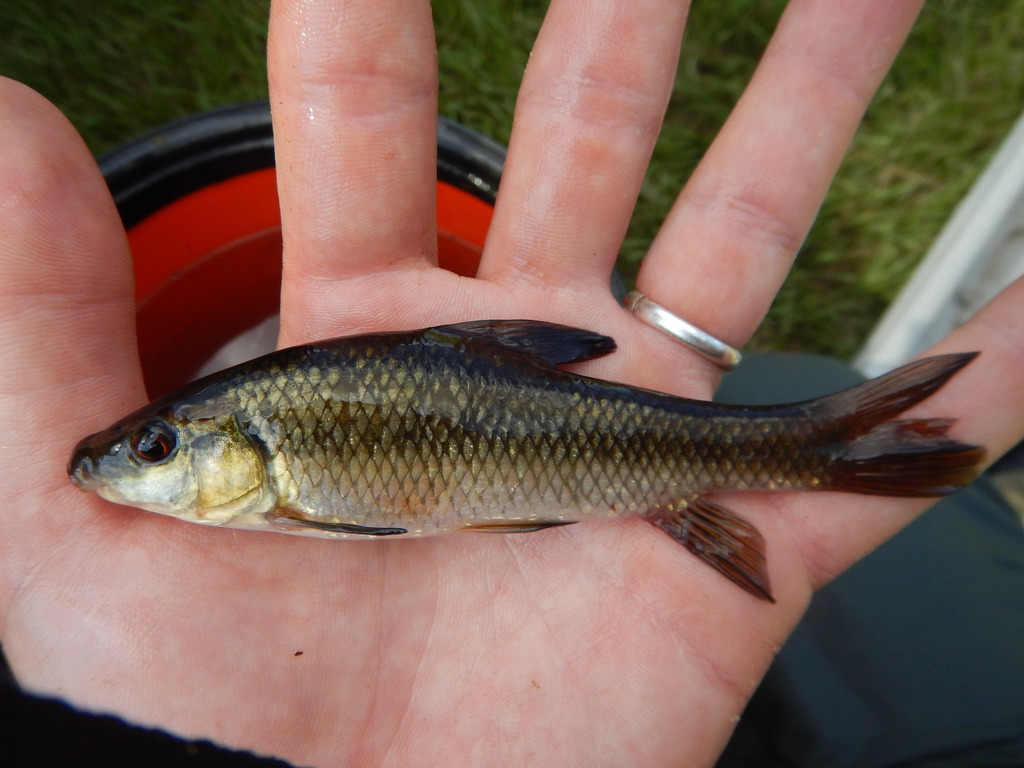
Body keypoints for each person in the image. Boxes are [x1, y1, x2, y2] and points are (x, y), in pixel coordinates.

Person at [0, 1, 1021, 766]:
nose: (139, 458)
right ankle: (823, 439)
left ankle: (819, 441)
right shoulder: (271, 435)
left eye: (160, 444)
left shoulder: (279, 441)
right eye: (154, 444)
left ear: (234, 444)